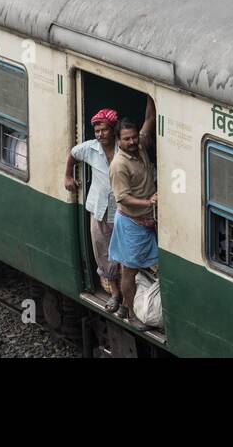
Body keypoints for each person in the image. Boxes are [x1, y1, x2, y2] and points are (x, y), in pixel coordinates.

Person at [65, 109, 123, 312]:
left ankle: (127, 293)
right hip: (99, 207)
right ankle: (115, 294)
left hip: (120, 207)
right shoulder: (90, 148)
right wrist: (68, 177)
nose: (99, 134)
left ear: (113, 130)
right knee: (102, 249)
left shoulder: (122, 148)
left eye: (104, 130)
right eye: (97, 130)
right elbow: (72, 154)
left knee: (122, 249)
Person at [108, 118, 157, 326]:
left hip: (148, 219)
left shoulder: (141, 146)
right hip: (132, 222)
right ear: (118, 141)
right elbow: (123, 197)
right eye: (126, 139)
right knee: (129, 269)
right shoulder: (119, 165)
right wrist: (148, 201)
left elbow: (148, 120)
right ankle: (131, 313)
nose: (132, 141)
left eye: (134, 137)